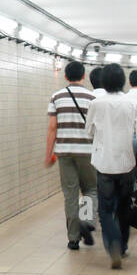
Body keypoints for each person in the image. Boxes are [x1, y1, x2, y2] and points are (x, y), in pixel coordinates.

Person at [86, 62, 137, 269]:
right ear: (123, 81)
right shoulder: (133, 105)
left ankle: (112, 243)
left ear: (104, 81)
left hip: (104, 164)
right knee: (123, 207)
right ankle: (122, 247)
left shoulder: (96, 104)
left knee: (105, 209)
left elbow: (89, 132)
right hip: (126, 164)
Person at [45, 61, 97, 249]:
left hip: (64, 152)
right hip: (87, 151)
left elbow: (52, 128)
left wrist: (48, 153)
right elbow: (95, 127)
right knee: (91, 189)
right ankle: (86, 220)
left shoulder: (56, 97)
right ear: (83, 76)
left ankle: (73, 238)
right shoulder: (92, 97)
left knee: (70, 194)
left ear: (66, 76)